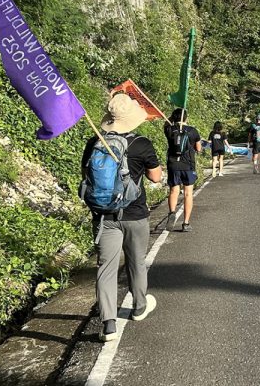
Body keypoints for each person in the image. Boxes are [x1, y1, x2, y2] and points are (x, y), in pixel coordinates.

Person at [83, 93, 162, 342]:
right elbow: (156, 178)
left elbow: (87, 177)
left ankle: (108, 324)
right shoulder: (141, 144)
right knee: (136, 261)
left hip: (104, 215)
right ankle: (139, 307)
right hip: (135, 214)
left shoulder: (94, 142)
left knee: (106, 269)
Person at [164, 108, 202, 232]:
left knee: (174, 190)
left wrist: (172, 120)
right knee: (188, 193)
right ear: (186, 118)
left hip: (173, 164)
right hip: (188, 165)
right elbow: (199, 148)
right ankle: (185, 223)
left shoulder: (169, 129)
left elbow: (166, 123)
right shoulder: (193, 131)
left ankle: (172, 212)